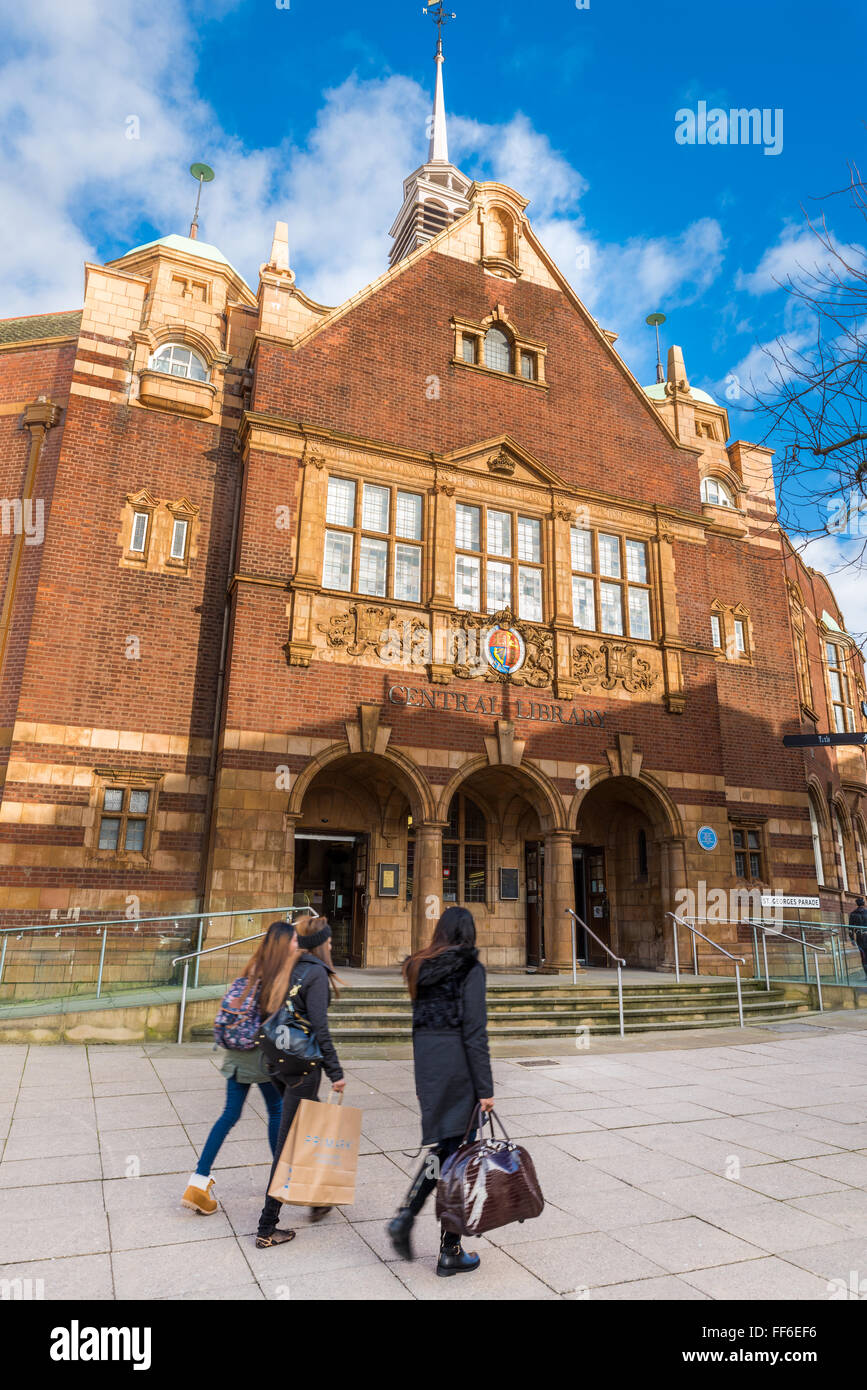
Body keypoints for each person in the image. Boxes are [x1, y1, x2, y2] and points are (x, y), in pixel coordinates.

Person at [387, 906, 494, 1277]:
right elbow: (474, 1032)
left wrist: (425, 1079)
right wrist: (485, 1088)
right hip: (461, 1071)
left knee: (446, 1152)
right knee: (457, 1159)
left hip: (431, 1068)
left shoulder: (420, 967)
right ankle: (446, 1247)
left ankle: (411, 1219)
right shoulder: (469, 969)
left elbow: (420, 1028)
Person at [181, 923, 288, 1215]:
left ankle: (198, 1180)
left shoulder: (253, 968)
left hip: (234, 1053)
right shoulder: (275, 975)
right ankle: (280, 1181)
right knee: (277, 1110)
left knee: (229, 1115)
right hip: (257, 1055)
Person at [255, 917, 346, 1248]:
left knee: (315, 1127)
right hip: (302, 1070)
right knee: (288, 1146)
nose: (333, 946)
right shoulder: (316, 973)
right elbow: (321, 1028)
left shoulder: (284, 967)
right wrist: (336, 1072)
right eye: (330, 942)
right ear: (320, 943)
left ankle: (320, 1196)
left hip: (277, 1065)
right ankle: (267, 1226)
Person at [850, 896, 867, 978]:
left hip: (859, 938)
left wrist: (852, 939)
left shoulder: (853, 914)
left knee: (863, 956)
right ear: (863, 903)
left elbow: (850, 929)